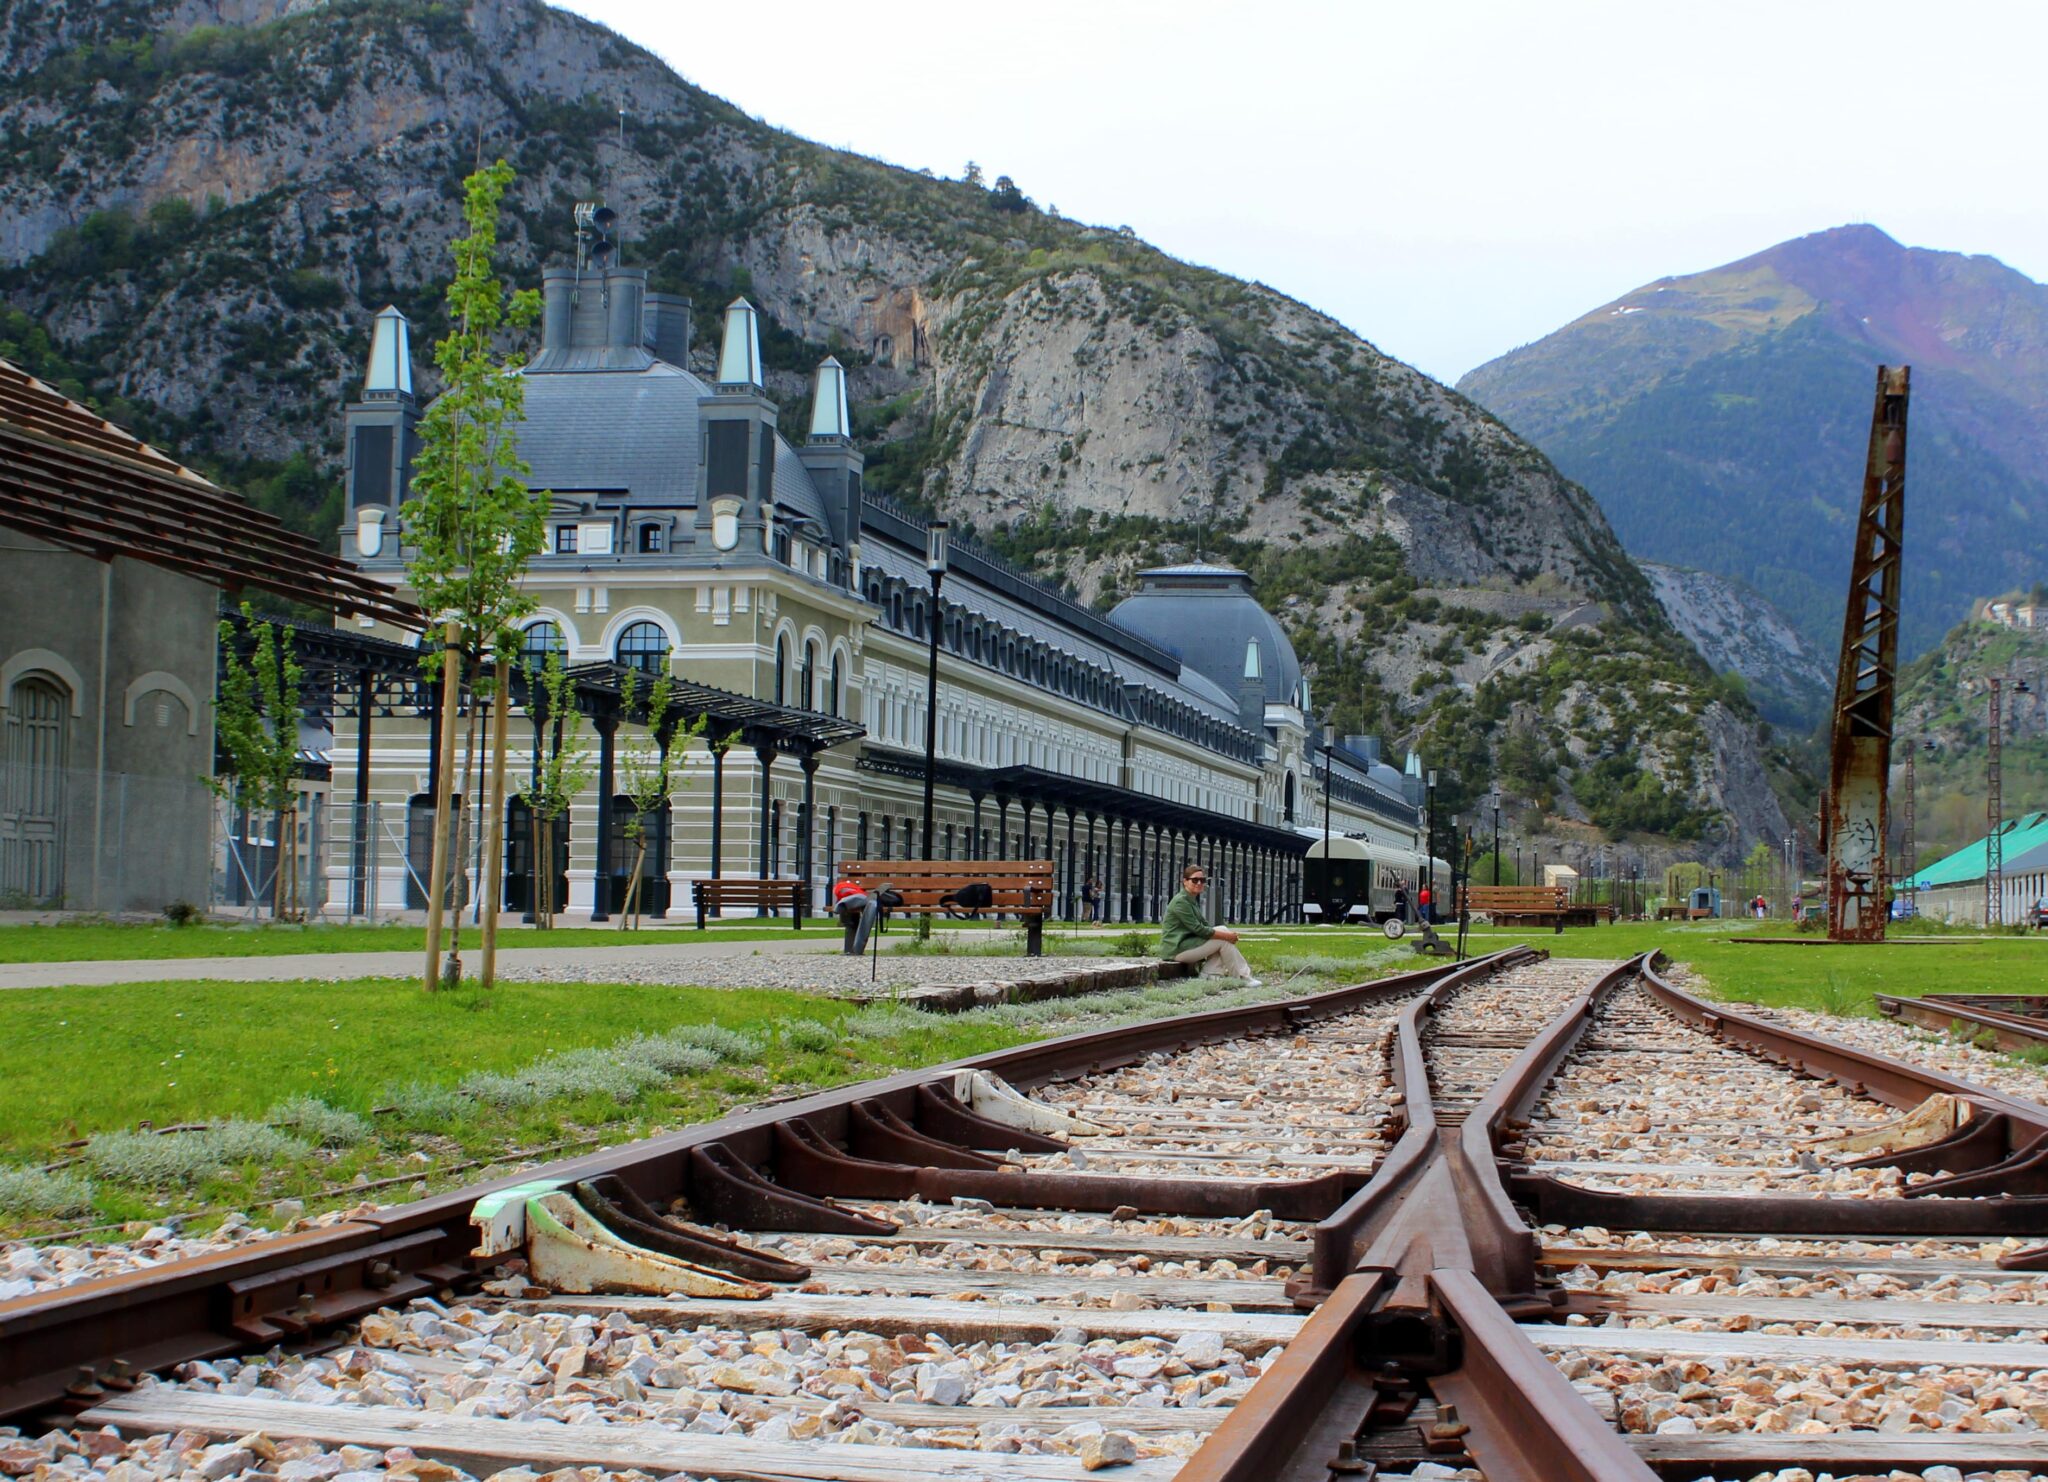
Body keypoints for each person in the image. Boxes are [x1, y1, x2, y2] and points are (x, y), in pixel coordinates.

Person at [1159, 862, 1258, 984]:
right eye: (1195, 880)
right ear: (1185, 881)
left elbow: (1205, 925)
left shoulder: (1189, 899)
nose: (1199, 883)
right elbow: (1199, 929)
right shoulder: (1181, 902)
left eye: (1202, 880)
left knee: (1222, 929)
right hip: (1177, 950)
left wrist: (1225, 933)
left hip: (1186, 945)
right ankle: (1243, 978)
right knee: (1223, 940)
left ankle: (1210, 974)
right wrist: (1228, 936)